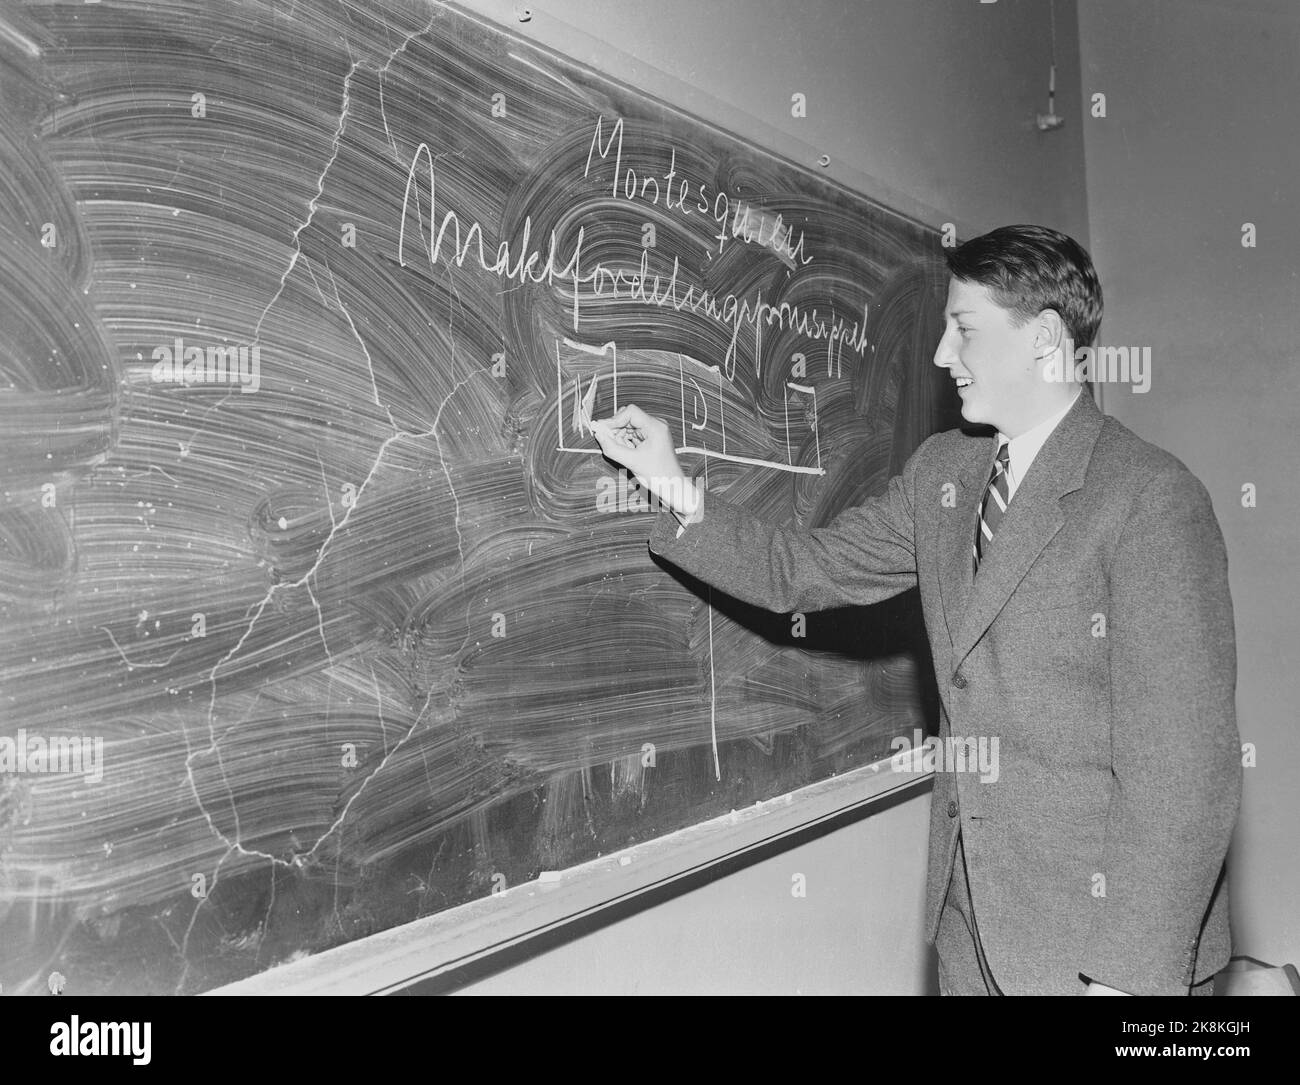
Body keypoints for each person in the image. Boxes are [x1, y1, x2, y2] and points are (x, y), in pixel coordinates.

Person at [586, 225, 1240, 996]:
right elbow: (808, 569)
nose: (939, 355)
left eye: (963, 329)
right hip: (969, 935)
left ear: (1045, 339)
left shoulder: (1150, 497)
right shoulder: (944, 475)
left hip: (1104, 954)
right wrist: (669, 480)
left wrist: (1124, 984)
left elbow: (1185, 776)